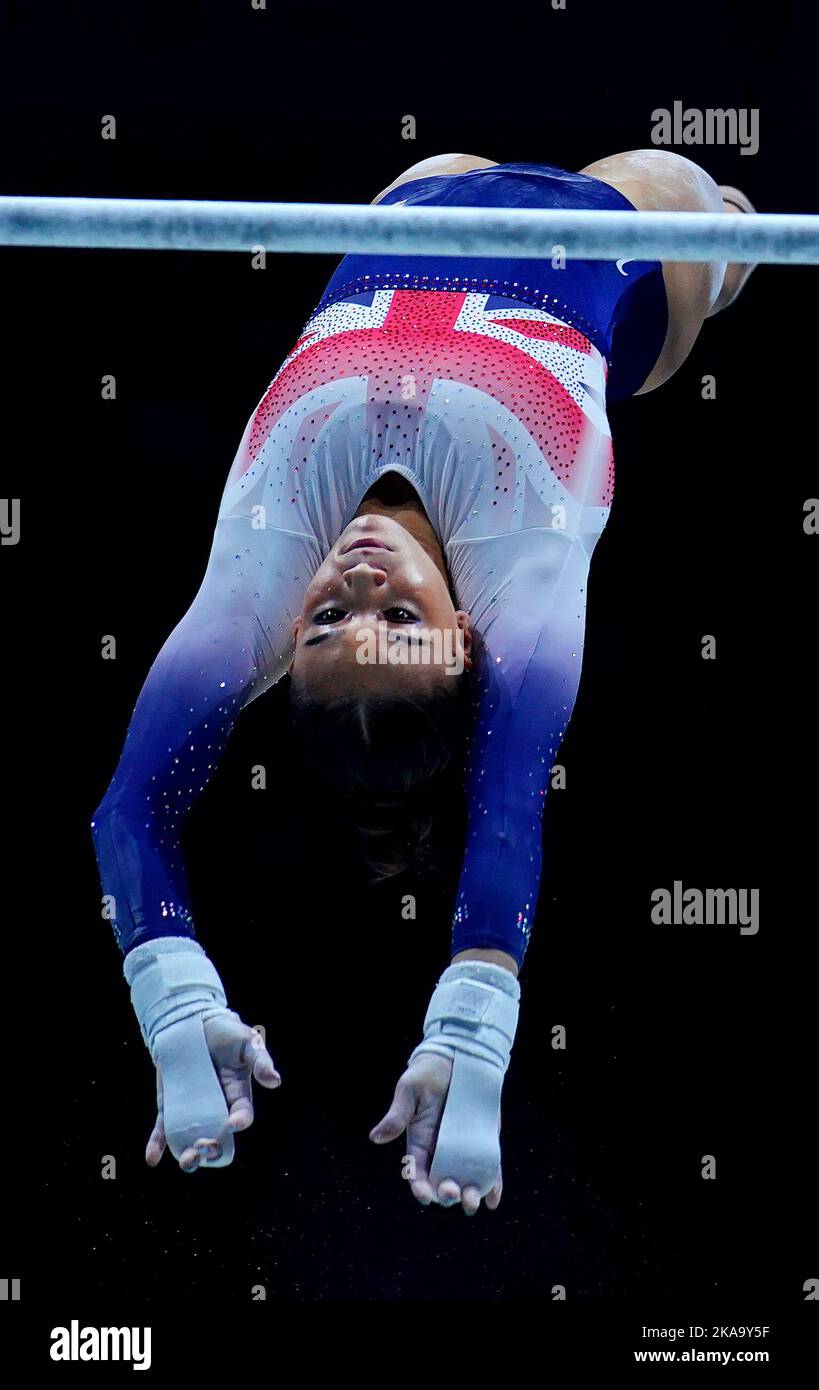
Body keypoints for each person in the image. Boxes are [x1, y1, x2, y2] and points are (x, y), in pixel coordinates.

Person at [91, 149, 755, 1212]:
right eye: (398, 617)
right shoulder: (526, 586)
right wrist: (473, 1033)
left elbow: (129, 808)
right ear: (466, 643)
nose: (356, 579)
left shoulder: (254, 578)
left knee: (441, 161)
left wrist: (167, 997)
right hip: (615, 237)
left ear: (279, 640)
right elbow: (503, 813)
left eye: (322, 621)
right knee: (712, 214)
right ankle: (730, 249)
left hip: (419, 194)